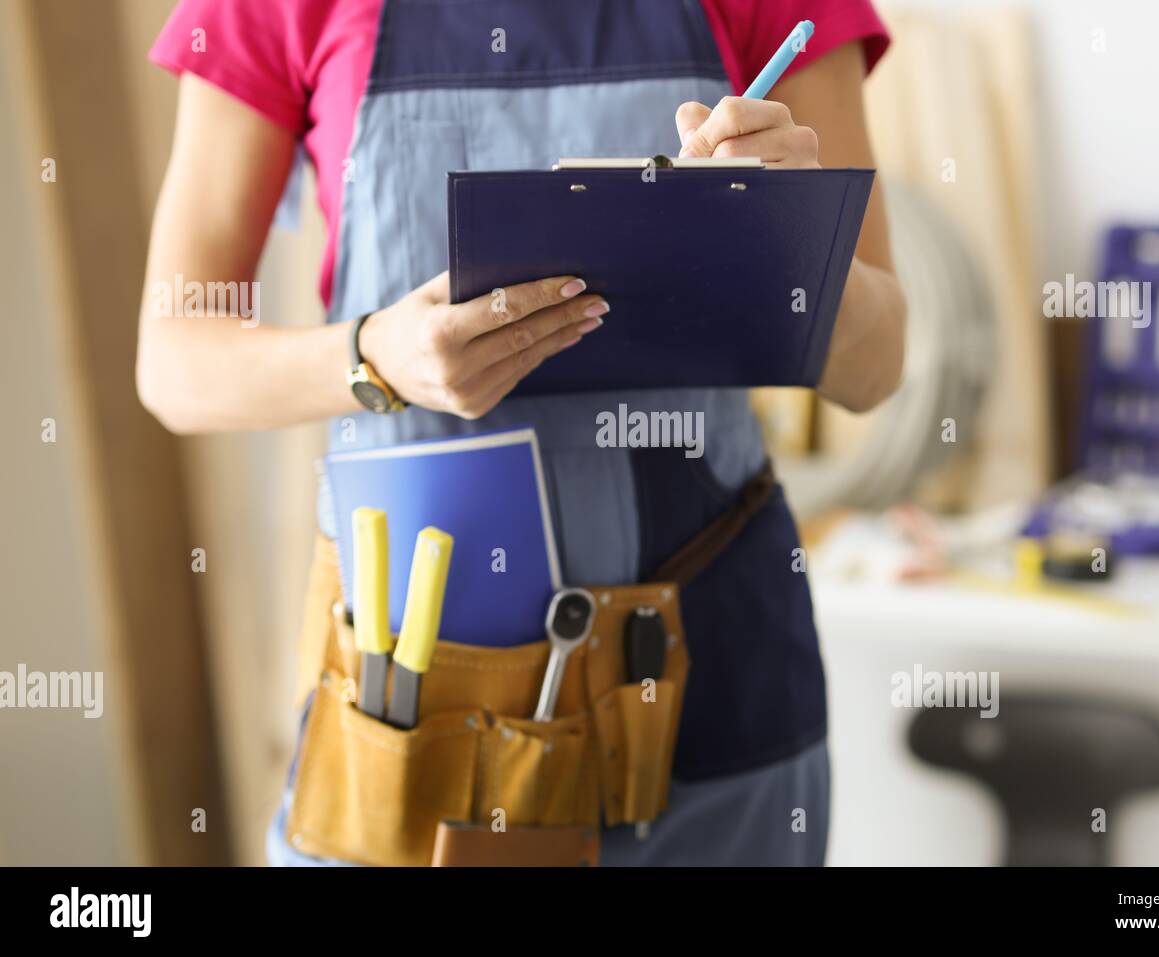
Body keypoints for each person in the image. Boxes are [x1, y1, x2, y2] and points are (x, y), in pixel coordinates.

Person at [140, 0, 905, 866]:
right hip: (420, 700)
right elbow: (173, 365)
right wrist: (373, 358)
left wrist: (797, 240)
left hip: (718, 689)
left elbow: (874, 370)